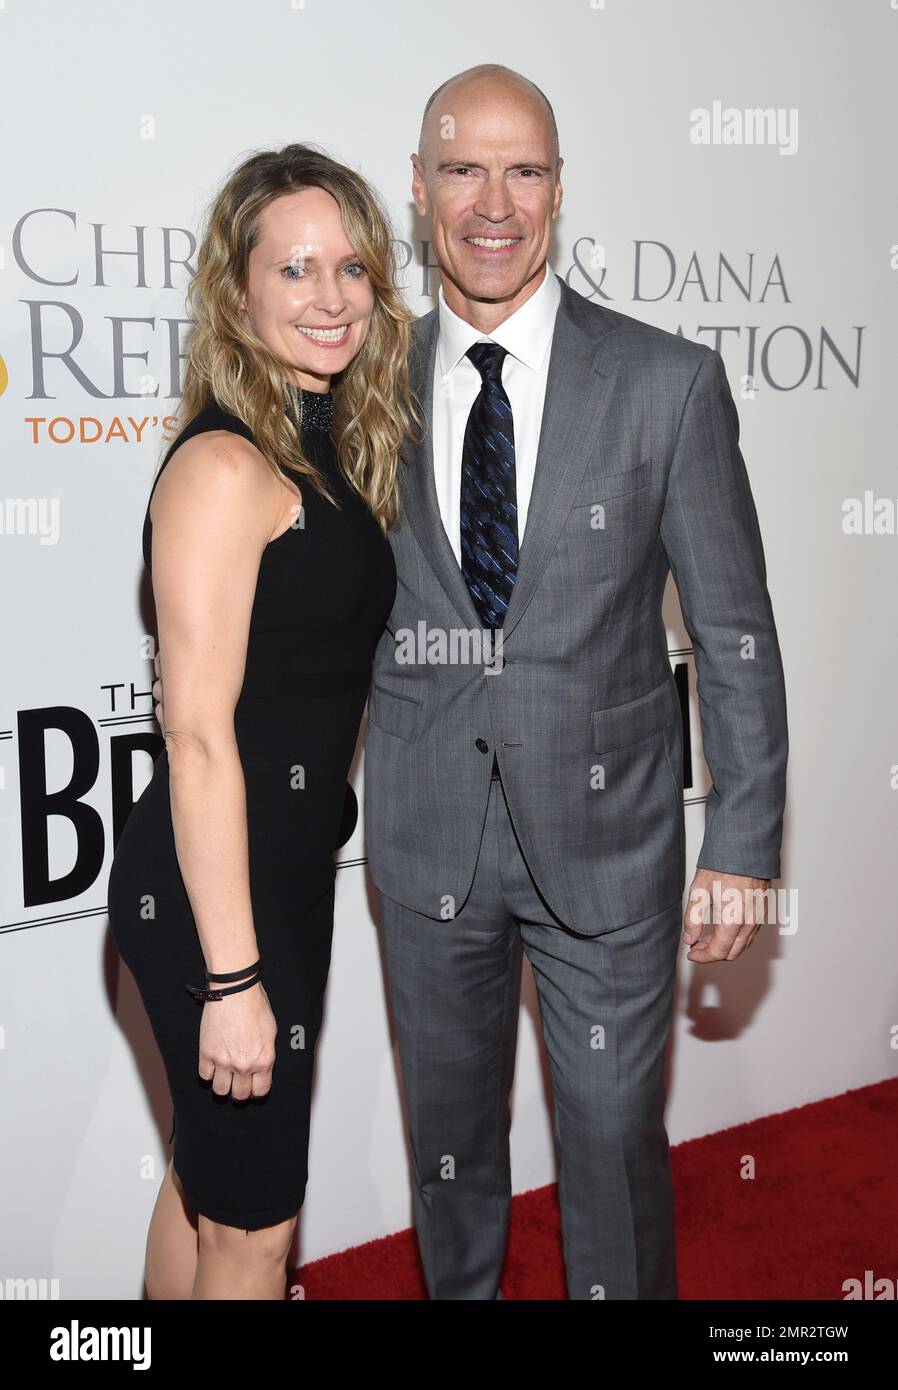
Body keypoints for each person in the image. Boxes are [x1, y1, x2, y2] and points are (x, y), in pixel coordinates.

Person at [361, 64, 788, 1299]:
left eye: (524, 170)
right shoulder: (364, 384)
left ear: (559, 189)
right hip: (428, 834)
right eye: (462, 169)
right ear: (419, 191)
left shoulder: (666, 382)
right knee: (448, 1160)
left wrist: (746, 839)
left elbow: (737, 629)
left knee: (609, 1145)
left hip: (610, 834)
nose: (493, 202)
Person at [108, 143, 421, 1300]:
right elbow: (193, 736)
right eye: (294, 270)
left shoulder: (326, 445)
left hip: (276, 869)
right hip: (209, 896)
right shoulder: (226, 468)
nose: (330, 297)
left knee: (209, 1183)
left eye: (350, 267)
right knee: (256, 1231)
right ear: (237, 292)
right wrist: (233, 981)